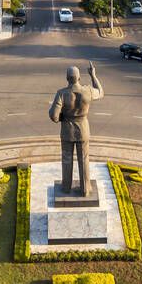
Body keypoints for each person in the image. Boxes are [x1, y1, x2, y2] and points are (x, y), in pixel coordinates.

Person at [48, 62, 104, 195]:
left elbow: (54, 116)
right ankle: (85, 189)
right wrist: (93, 76)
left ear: (67, 78)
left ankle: (66, 187)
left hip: (67, 131)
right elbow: (101, 92)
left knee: (67, 159)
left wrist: (62, 118)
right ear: (79, 78)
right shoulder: (88, 91)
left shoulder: (61, 94)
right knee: (84, 159)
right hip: (83, 129)